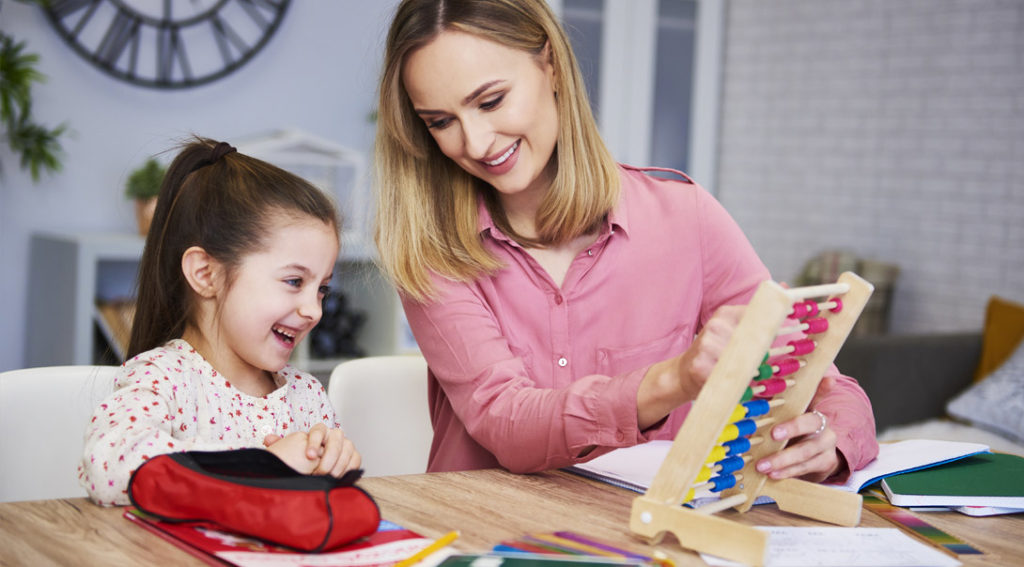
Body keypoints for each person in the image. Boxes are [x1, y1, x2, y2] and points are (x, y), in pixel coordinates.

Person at [373, 0, 878, 482]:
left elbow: (824, 382)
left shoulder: (686, 217)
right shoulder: (429, 252)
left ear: (549, 64)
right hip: (486, 532)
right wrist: (672, 380)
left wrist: (830, 439)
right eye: (440, 122)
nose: (476, 142)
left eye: (491, 100)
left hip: (644, 537)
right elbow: (508, 423)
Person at [80, 138, 361, 506]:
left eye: (322, 288)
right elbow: (109, 467)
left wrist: (335, 462)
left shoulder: (306, 397)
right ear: (205, 274)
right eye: (294, 281)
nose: (314, 310)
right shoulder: (164, 378)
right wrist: (259, 465)